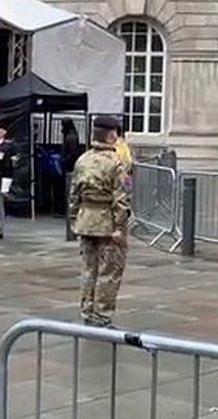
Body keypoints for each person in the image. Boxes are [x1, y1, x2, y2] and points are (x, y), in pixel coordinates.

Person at [70, 116, 130, 328]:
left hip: (86, 220)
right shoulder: (117, 163)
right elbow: (121, 198)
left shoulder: (82, 160)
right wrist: (120, 227)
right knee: (109, 272)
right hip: (107, 223)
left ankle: (87, 312)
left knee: (89, 270)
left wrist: (74, 219)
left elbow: (74, 194)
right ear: (112, 135)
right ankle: (102, 315)